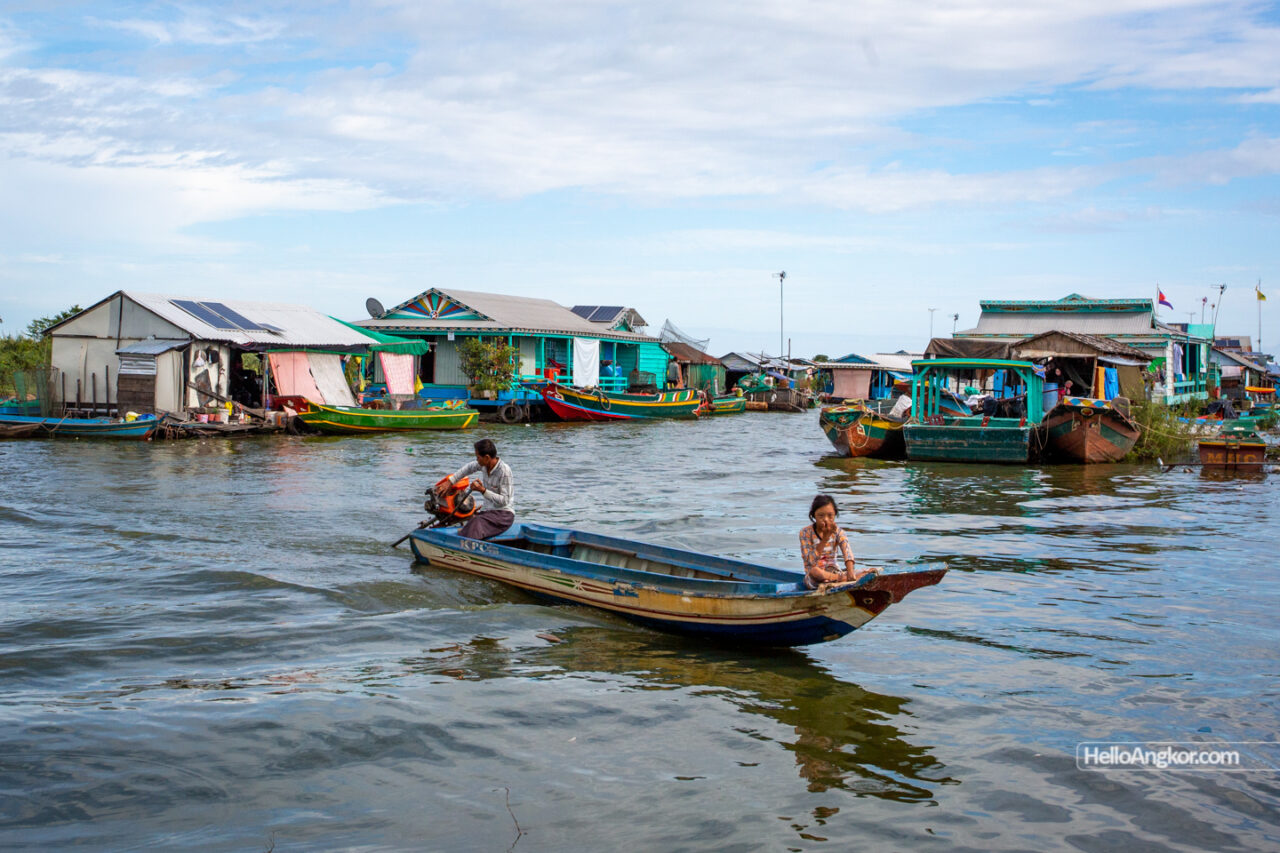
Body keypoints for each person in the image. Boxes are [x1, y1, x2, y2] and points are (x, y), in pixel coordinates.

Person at [437, 438, 514, 540]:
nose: (477, 460)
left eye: (478, 457)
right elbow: (468, 468)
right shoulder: (484, 465)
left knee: (476, 522)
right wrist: (450, 482)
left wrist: (483, 490)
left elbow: (505, 501)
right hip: (489, 512)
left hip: (503, 515)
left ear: (486, 457)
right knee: (468, 518)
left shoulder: (504, 471)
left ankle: (465, 549)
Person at [799, 495, 874, 589]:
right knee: (815, 572)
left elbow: (847, 552)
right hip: (814, 577)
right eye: (821, 515)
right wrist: (825, 539)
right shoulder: (805, 533)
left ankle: (843, 577)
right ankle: (842, 578)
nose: (826, 519)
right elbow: (810, 561)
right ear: (814, 515)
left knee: (870, 571)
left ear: (835, 515)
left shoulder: (838, 532)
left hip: (833, 571)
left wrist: (850, 572)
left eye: (830, 515)